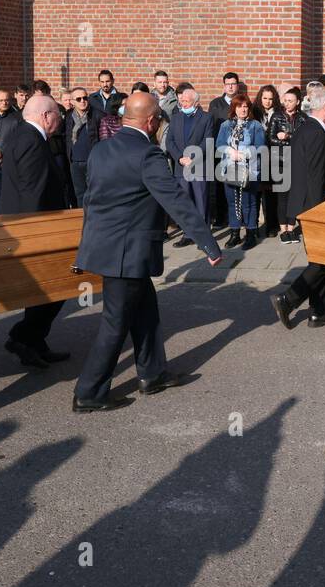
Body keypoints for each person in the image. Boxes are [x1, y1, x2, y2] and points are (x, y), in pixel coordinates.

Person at [73, 93, 223, 411]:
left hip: (110, 248)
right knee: (115, 323)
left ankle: (152, 374)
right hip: (127, 253)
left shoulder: (101, 149)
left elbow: (90, 200)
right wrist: (207, 242)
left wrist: (84, 247)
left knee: (146, 312)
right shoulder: (148, 155)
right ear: (152, 120)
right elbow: (176, 201)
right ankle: (88, 392)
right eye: (159, 121)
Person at [0, 95, 70, 367]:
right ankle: (22, 337)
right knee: (58, 287)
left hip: (28, 228)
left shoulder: (21, 135)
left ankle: (34, 343)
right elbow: (32, 192)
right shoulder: (31, 141)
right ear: (46, 116)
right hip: (36, 231)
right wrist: (38, 236)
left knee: (44, 292)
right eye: (58, 115)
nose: (60, 119)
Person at [272, 86, 325, 329]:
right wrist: (320, 212)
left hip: (307, 203)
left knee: (322, 258)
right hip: (315, 206)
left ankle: (319, 310)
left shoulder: (305, 128)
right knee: (322, 261)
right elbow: (316, 175)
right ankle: (288, 299)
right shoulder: (316, 132)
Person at [216, 93, 266, 250]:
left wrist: (244, 153)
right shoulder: (225, 125)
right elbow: (219, 144)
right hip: (230, 169)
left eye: (246, 106)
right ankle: (235, 234)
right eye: (240, 106)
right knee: (232, 203)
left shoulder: (255, 126)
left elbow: (260, 147)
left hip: (249, 170)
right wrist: (231, 151)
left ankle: (251, 233)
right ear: (234, 108)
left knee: (249, 203)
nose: (243, 109)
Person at [164, 86, 211, 246]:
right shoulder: (176, 118)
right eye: (181, 100)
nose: (183, 103)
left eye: (186, 101)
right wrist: (179, 158)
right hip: (181, 167)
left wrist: (192, 157)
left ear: (196, 102)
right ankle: (188, 234)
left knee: (201, 202)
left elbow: (208, 141)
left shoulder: (206, 118)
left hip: (199, 166)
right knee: (185, 202)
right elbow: (169, 141)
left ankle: (203, 237)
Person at [269, 85, 306, 243]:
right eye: (285, 100)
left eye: (291, 101)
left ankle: (292, 228)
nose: (287, 103)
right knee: (282, 197)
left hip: (297, 162)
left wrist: (287, 136)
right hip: (280, 161)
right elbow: (271, 138)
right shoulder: (277, 117)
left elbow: (303, 139)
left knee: (294, 197)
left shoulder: (303, 117)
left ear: (297, 102)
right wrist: (286, 141)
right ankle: (283, 230)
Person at [207, 72, 241, 227]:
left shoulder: (243, 102)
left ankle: (238, 218)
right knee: (220, 186)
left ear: (237, 85)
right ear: (224, 85)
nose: (231, 86)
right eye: (228, 84)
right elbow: (211, 128)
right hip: (220, 151)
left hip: (239, 151)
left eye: (233, 83)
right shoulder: (215, 104)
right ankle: (221, 217)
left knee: (238, 184)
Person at [65, 86, 99, 207]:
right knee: (79, 194)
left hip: (92, 161)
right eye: (78, 99)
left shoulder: (96, 115)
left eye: (85, 98)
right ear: (72, 102)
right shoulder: (68, 116)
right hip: (75, 162)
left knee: (94, 194)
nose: (82, 101)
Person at [256, 84, 281, 235]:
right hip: (259, 156)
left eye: (270, 99)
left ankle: (273, 224)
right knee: (261, 192)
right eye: (265, 98)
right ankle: (260, 225)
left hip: (275, 155)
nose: (267, 102)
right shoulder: (255, 112)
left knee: (273, 192)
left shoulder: (278, 113)